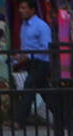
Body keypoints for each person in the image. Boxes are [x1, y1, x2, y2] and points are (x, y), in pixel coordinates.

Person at [12, 0, 54, 128]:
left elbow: (47, 46)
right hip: (30, 63)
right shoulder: (24, 26)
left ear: (32, 10)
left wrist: (28, 56)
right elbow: (26, 46)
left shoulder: (41, 26)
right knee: (45, 91)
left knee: (28, 88)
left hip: (41, 62)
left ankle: (19, 121)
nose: (20, 11)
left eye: (24, 8)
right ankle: (63, 117)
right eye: (20, 8)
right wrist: (19, 57)